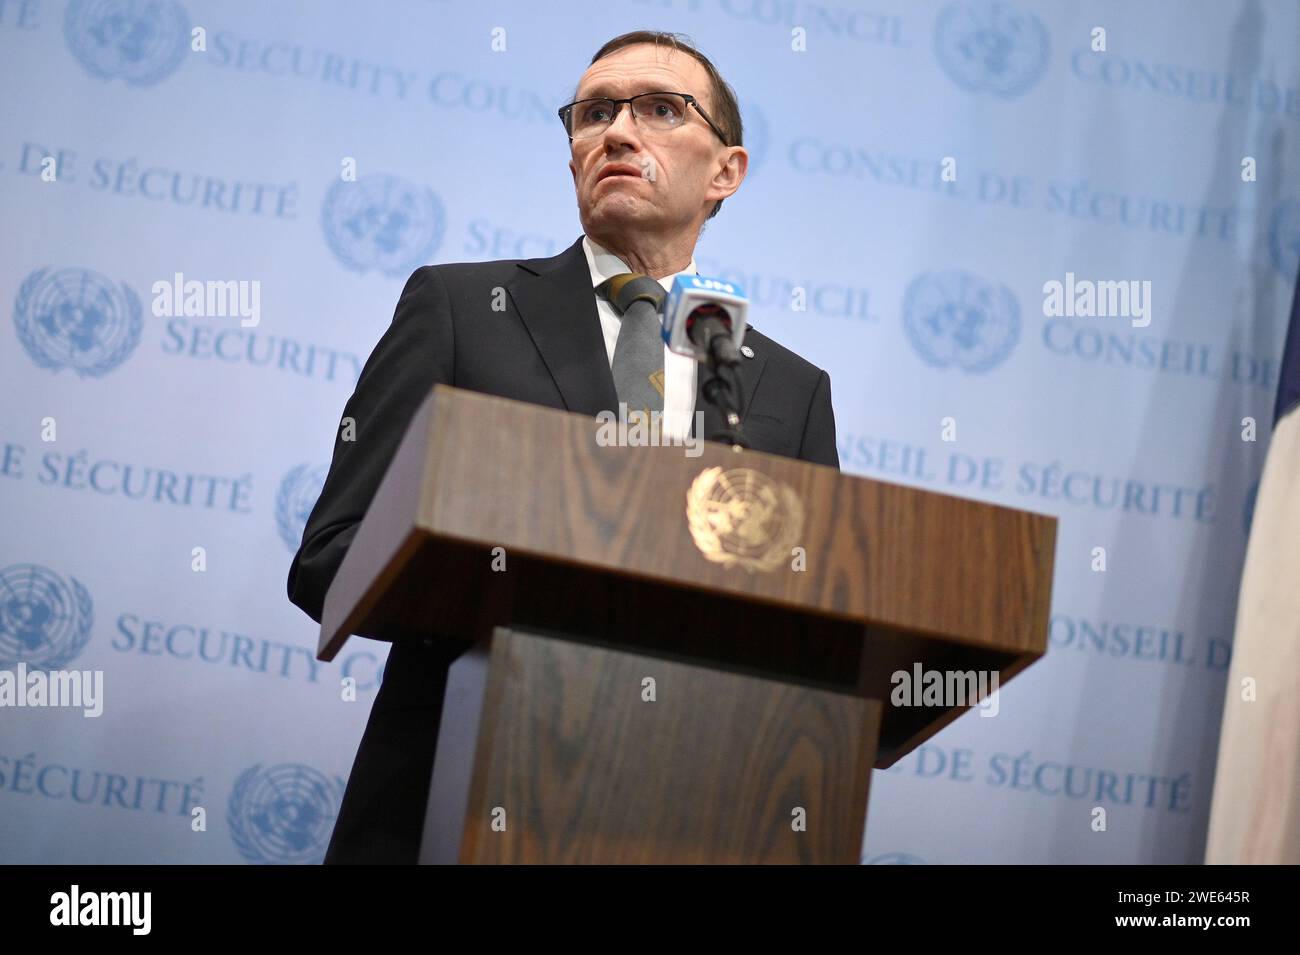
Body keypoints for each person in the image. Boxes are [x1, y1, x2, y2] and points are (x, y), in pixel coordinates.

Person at [288, 30, 840, 864]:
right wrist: (533, 591)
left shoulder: (788, 390)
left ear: (726, 171)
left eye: (659, 108)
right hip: (451, 802)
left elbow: (823, 629)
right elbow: (332, 556)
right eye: (593, 113)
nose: (616, 132)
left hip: (692, 822)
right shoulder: (462, 309)